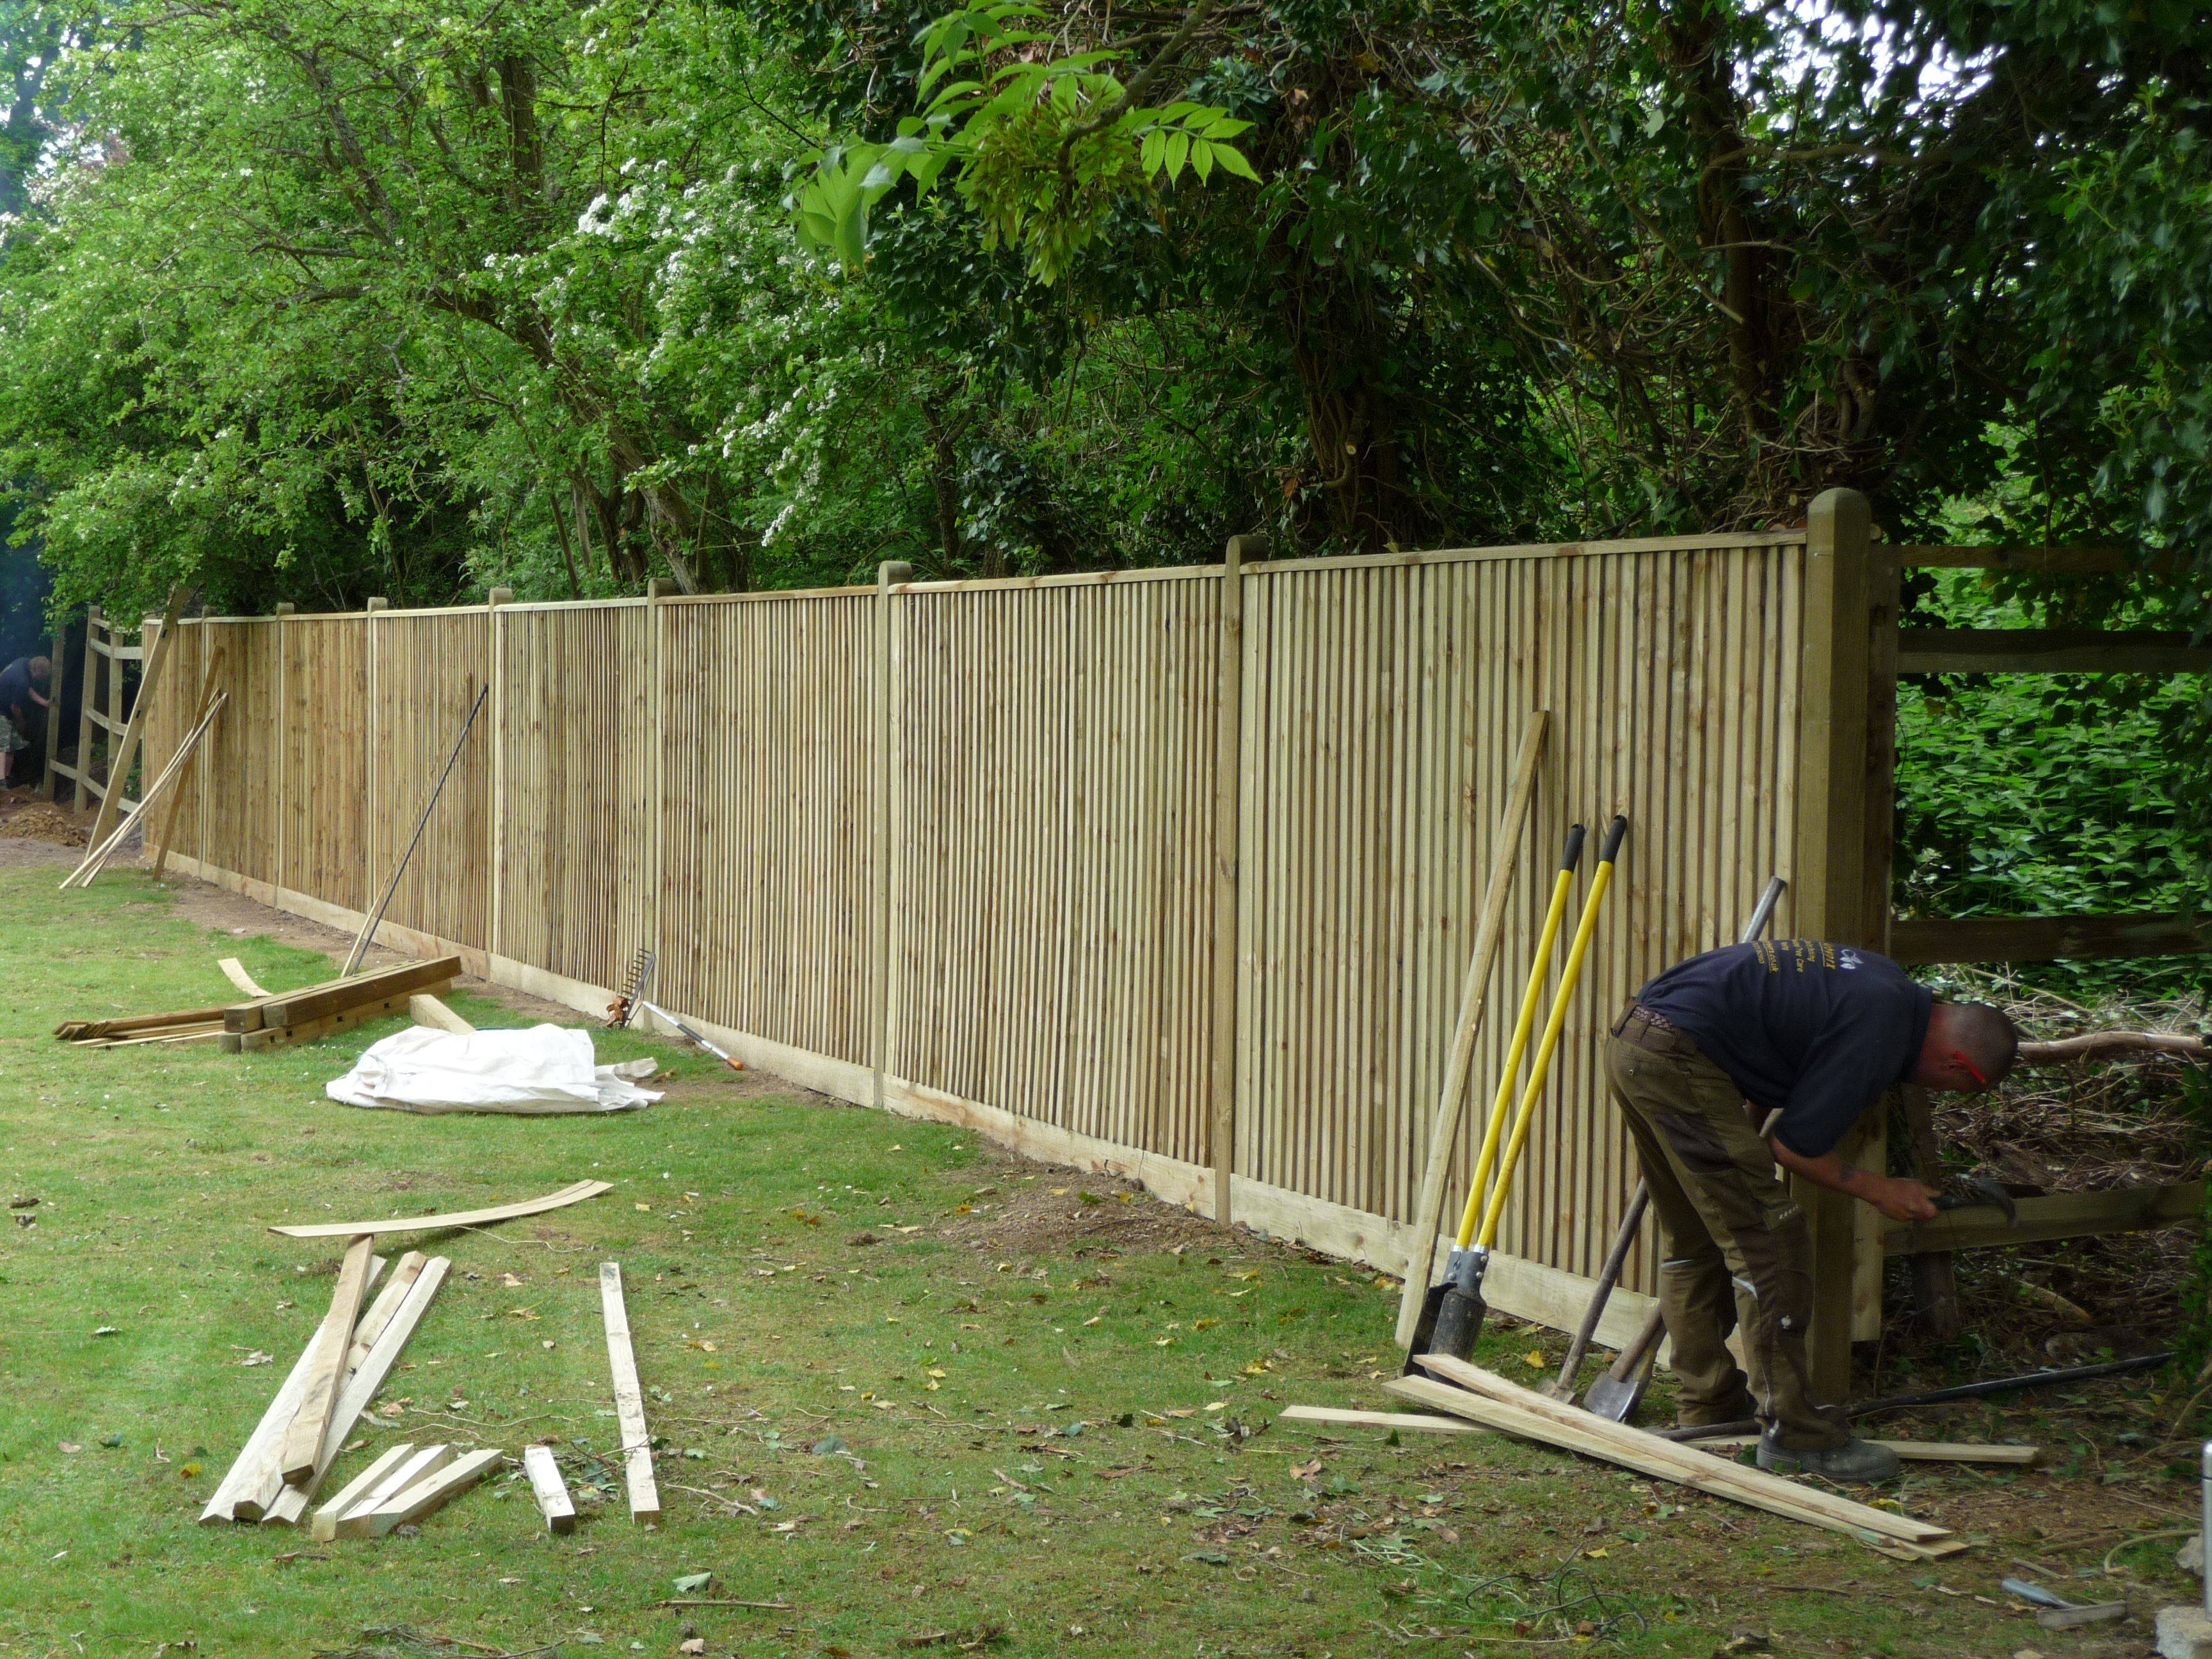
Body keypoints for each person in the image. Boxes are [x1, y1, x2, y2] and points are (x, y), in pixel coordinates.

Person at [1605, 937, 2017, 1482]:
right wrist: (1881, 1190)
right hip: (1679, 1058)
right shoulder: (1881, 1031)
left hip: (1638, 1042)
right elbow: (1796, 1149)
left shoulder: (1882, 987)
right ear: (1956, 1062)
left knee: (1699, 1236)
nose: (1944, 1092)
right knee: (1773, 1240)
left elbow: (1765, 1052)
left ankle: (1709, 1403)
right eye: (1960, 1087)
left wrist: (1739, 1141)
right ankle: (1797, 1435)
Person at [0, 653, 52, 789]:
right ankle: (1, 782)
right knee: (3, 746)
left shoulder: (23, 662)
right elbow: (15, 707)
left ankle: (6, 778)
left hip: (6, 711)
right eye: (42, 676)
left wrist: (44, 703)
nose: (42, 679)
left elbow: (28, 690)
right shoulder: (22, 681)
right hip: (2, 712)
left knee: (13, 746)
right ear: (35, 671)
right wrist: (21, 723)